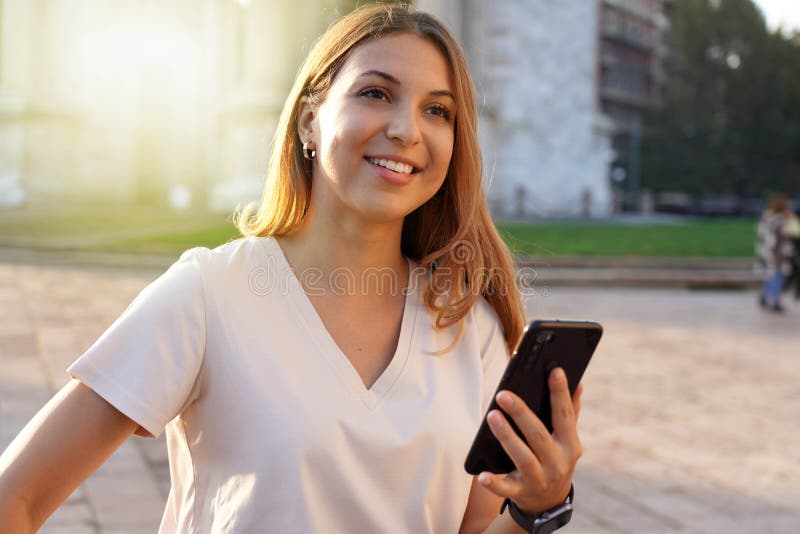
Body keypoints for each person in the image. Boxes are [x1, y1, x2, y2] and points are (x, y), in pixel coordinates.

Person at [0, 5, 584, 533]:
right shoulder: (209, 294)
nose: (407, 129)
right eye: (376, 94)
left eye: (438, 110)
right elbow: (15, 497)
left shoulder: (470, 326)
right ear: (310, 121)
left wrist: (539, 507)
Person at [756, 193, 795, 313]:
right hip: (778, 253)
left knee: (771, 275)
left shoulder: (766, 217)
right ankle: (774, 300)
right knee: (778, 277)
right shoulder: (781, 220)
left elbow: (762, 234)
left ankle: (765, 296)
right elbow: (788, 234)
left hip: (766, 251)